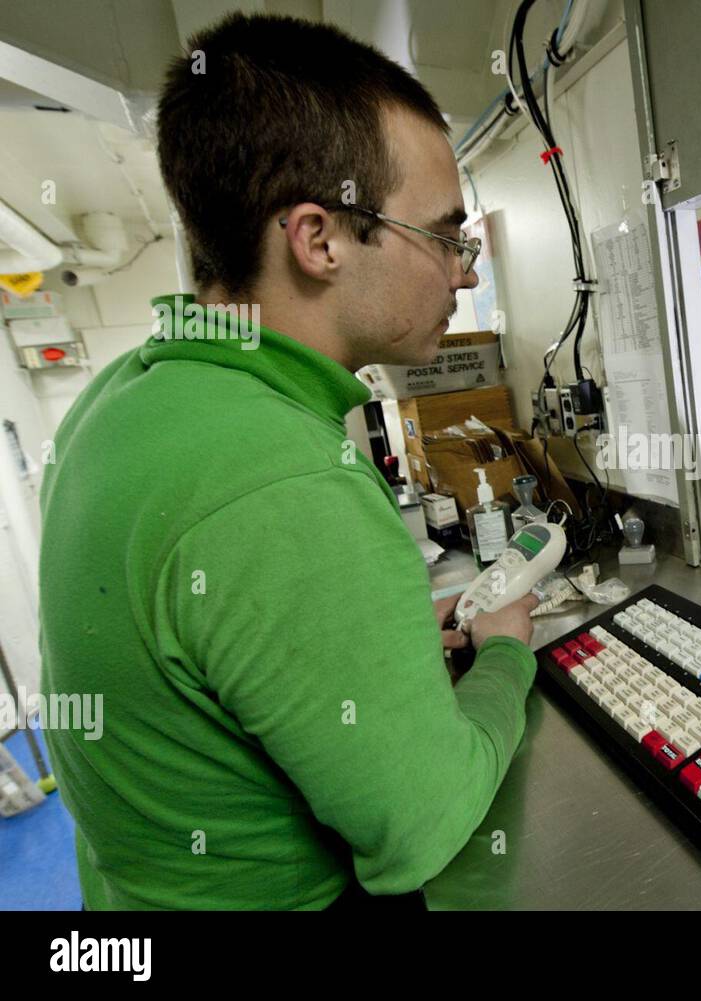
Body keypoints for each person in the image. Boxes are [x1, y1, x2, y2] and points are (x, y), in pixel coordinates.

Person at [39, 12, 537, 910]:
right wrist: (505, 655)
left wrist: (360, 645)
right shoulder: (286, 477)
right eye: (446, 235)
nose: (464, 273)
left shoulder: (118, 400)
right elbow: (422, 829)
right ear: (319, 240)